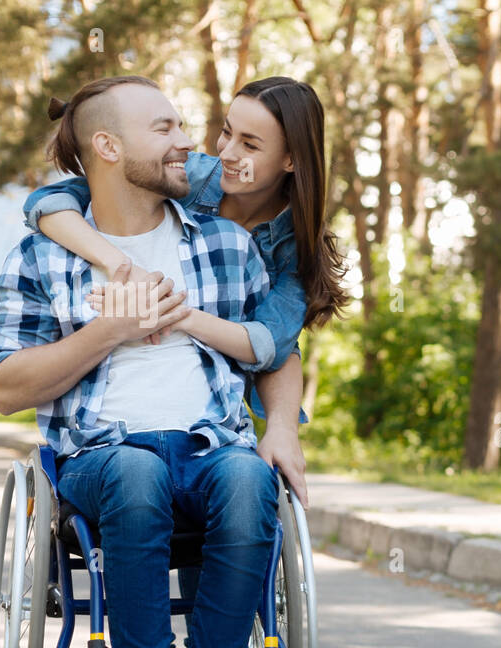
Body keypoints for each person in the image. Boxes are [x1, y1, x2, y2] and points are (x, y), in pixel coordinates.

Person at [0, 75, 283, 648]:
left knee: (247, 475)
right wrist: (110, 330)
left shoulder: (228, 248)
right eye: (166, 128)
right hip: (101, 455)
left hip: (212, 446)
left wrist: (283, 430)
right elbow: (5, 388)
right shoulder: (41, 257)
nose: (188, 141)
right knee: (137, 469)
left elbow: (277, 350)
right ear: (109, 146)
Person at [22, 75, 348, 507]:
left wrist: (283, 429)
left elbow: (274, 347)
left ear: (290, 159)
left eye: (249, 146)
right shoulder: (195, 176)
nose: (226, 153)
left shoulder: (296, 250)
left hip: (214, 391)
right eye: (227, 132)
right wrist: (123, 266)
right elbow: (49, 204)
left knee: (234, 488)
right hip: (134, 370)